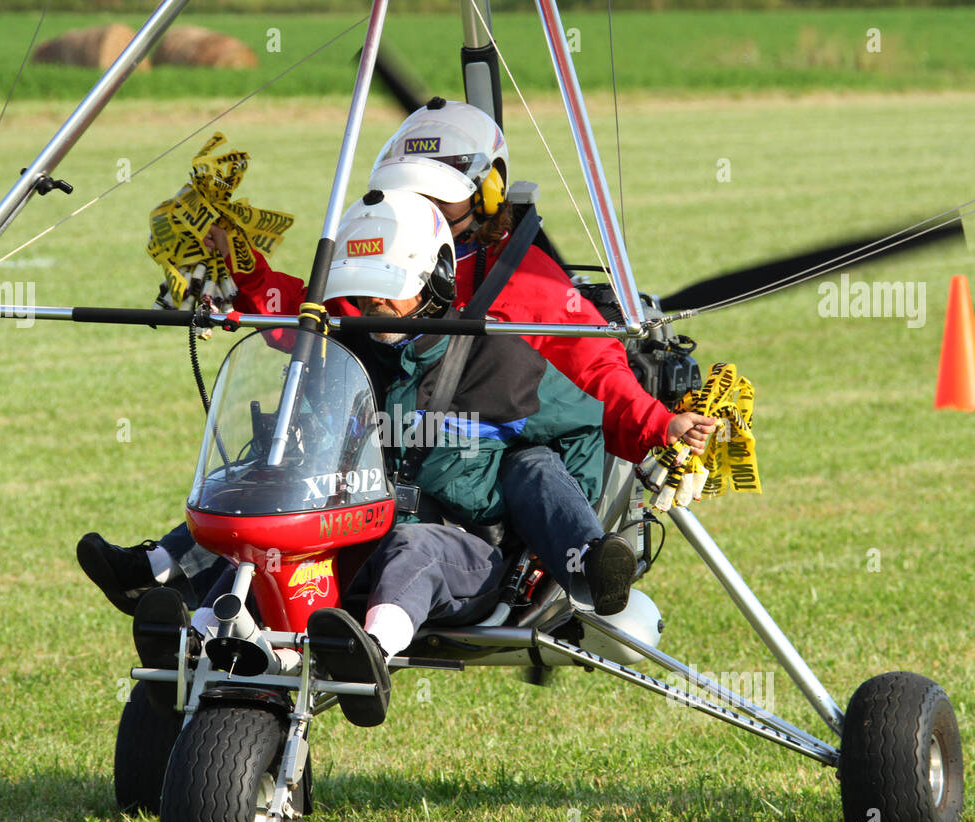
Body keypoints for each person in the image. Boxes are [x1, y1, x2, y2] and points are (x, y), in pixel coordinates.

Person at [79, 99, 714, 625]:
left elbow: (593, 361)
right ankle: (163, 574)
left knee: (532, 469)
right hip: (385, 450)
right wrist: (243, 267)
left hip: (481, 457)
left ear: (486, 195)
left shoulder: (521, 280)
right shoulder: (382, 260)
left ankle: (586, 560)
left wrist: (660, 425)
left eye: (440, 203)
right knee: (277, 466)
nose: (423, 217)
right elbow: (310, 321)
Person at [142, 189, 628, 727]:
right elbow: (293, 326)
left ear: (437, 282)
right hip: (362, 527)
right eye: (365, 296)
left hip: (464, 548)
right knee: (273, 545)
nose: (372, 308)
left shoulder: (503, 363)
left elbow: (586, 424)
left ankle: (370, 650)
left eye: (385, 295)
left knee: (415, 545)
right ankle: (200, 635)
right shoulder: (357, 352)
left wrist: (552, 536)